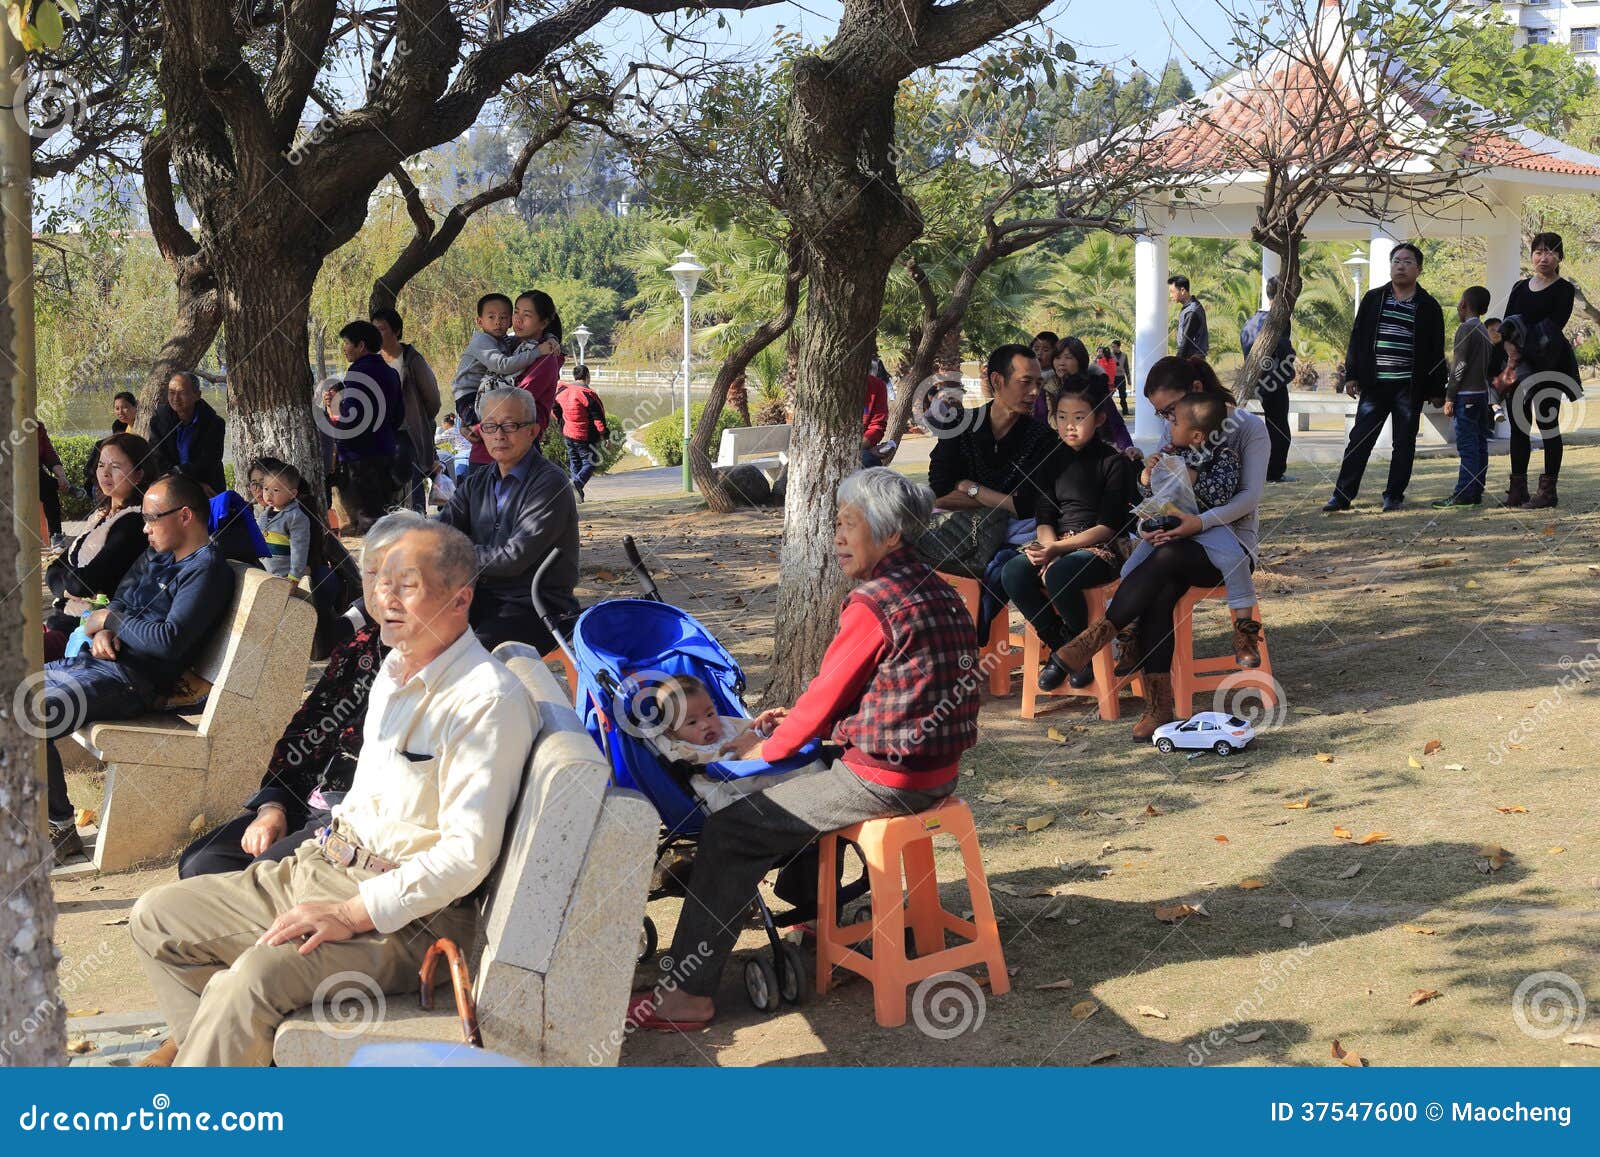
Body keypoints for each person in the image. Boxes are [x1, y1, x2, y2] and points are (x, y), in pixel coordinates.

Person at [130, 521, 536, 1067]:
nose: (383, 598)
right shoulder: (393, 667)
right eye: (378, 581)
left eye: (406, 585)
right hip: (323, 863)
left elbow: (466, 855)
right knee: (157, 916)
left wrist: (349, 913)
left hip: (409, 915)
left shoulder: (485, 699)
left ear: (460, 598)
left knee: (250, 979)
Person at [627, 468, 978, 1031]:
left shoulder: (873, 602)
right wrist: (823, 730)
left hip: (889, 779)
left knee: (733, 830)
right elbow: (906, 685)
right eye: (836, 524)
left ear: (890, 536)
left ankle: (687, 995)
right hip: (940, 771)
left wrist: (759, 754)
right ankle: (817, 914)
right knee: (807, 779)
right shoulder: (939, 588)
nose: (837, 537)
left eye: (849, 525)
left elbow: (821, 699)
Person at [176, 511, 425, 881]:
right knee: (201, 862)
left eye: (402, 579)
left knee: (259, 878)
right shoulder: (361, 646)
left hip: (360, 826)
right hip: (306, 800)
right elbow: (307, 726)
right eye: (373, 575)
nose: (384, 591)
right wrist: (272, 803)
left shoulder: (437, 668)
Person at [1049, 357, 1268, 741]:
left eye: (1170, 411)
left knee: (1165, 560)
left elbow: (1248, 498)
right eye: (1162, 413)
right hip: (1173, 542)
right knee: (1160, 583)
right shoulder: (1177, 437)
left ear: (1195, 392)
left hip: (1227, 544)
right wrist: (1151, 524)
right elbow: (1159, 492)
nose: (1167, 420)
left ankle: (1099, 638)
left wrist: (1196, 523)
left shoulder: (1248, 430)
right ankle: (1159, 705)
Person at [40, 474, 237, 862]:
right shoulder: (156, 556)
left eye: (152, 518)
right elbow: (119, 604)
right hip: (98, 665)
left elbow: (168, 640)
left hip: (133, 682)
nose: (144, 528)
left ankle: (58, 829)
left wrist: (110, 622)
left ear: (184, 516)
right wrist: (102, 630)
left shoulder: (207, 570)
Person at [1001, 374, 1137, 692]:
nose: (1069, 426)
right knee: (1013, 572)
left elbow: (1108, 526)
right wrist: (1048, 548)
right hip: (1057, 543)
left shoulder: (1114, 462)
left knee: (1061, 573)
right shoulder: (1050, 461)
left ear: (1100, 418)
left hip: (1101, 547)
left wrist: (1056, 553)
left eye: (1079, 418)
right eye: (1062, 418)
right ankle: (1064, 645)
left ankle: (1077, 654)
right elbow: (1044, 516)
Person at [1121, 392, 1261, 666]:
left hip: (1208, 526)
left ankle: (1245, 634)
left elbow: (1221, 495)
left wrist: (1188, 473)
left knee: (1234, 561)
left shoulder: (1224, 457)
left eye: (1175, 424)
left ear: (1197, 436)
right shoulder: (1169, 454)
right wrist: (1147, 476)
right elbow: (1152, 495)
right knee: (1130, 569)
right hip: (1170, 525)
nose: (1168, 428)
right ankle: (1130, 634)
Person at [437, 387, 579, 652]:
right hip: (478, 598)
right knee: (415, 632)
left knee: (466, 656)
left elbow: (514, 557)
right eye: (490, 426)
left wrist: (452, 554)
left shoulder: (550, 483)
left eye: (510, 425)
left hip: (537, 607)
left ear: (533, 431)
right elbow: (439, 532)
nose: (499, 435)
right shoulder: (477, 481)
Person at [1323, 242, 1446, 512]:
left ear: (1419, 269)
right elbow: (1357, 338)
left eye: (1407, 262)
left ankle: (1393, 496)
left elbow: (1436, 349)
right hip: (1375, 384)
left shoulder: (1428, 306)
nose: (1400, 266)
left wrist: (1438, 389)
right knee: (1359, 441)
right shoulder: (1373, 298)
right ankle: (1341, 496)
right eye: (1396, 261)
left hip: (1408, 388)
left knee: (1403, 444)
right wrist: (1352, 374)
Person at [45, 433, 157, 645]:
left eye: (115, 466)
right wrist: (67, 583)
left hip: (85, 630)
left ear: (138, 474)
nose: (105, 473)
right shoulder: (101, 515)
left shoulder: (133, 523)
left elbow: (84, 583)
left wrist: (66, 583)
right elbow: (53, 570)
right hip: (61, 620)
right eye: (101, 465)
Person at [1500, 232, 1579, 509]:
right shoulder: (1519, 287)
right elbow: (1507, 323)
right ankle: (1517, 489)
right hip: (1517, 364)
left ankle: (1547, 492)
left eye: (1550, 252)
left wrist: (1522, 345)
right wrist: (1510, 348)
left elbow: (1553, 326)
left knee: (1548, 425)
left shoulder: (1564, 289)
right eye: (1538, 251)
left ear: (1560, 257)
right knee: (1519, 426)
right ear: (1531, 255)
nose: (1543, 257)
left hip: (1549, 364)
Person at [450, 292, 562, 474]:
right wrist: (468, 425)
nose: (518, 320)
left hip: (513, 449)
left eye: (526, 315)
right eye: (516, 313)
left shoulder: (543, 357)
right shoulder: (513, 346)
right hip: (489, 448)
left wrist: (476, 428)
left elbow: (513, 402)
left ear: (543, 322)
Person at [648, 675, 795, 812]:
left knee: (802, 764)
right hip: (732, 795)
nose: (706, 724)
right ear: (671, 731)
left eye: (710, 714)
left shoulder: (726, 725)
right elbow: (702, 786)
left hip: (763, 774)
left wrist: (763, 729)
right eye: (692, 722)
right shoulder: (681, 749)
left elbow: (752, 732)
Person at [324, 319, 404, 533]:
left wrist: (335, 413)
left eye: (347, 343)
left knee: (365, 516)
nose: (344, 349)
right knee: (380, 511)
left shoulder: (358, 373)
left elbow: (351, 418)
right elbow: (398, 415)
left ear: (361, 345)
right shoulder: (391, 372)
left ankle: (370, 561)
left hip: (359, 456)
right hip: (386, 449)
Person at [372, 307, 442, 514]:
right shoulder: (372, 362)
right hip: (381, 438)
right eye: (373, 330)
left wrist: (417, 419)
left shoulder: (411, 360)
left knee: (412, 491)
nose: (377, 334)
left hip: (407, 437)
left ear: (396, 331)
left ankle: (417, 531)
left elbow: (433, 400)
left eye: (382, 329)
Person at [1433, 285, 1496, 509]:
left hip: (1466, 396)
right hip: (1481, 395)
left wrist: (1450, 396)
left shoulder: (1465, 330)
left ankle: (1463, 493)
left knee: (1468, 446)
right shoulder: (1483, 331)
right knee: (1479, 445)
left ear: (1464, 305)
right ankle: (1476, 490)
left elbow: (1459, 366)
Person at [1240, 276, 1297, 483]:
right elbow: (1284, 350)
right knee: (1280, 428)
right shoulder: (1279, 320)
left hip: (1254, 379)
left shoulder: (1251, 321)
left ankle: (1266, 470)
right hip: (1274, 381)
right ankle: (1275, 472)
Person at [149, 372, 227, 495]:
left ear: (197, 395)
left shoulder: (214, 423)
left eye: (182, 393)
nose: (175, 398)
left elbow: (208, 462)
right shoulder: (159, 420)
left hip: (206, 485)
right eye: (171, 393)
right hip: (170, 484)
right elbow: (157, 457)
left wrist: (193, 484)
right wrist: (181, 479)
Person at [555, 364, 607, 501]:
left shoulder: (562, 390)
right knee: (591, 461)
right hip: (583, 435)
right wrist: (605, 435)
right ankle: (576, 485)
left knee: (575, 462)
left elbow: (554, 407)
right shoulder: (587, 394)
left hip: (568, 433)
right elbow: (598, 418)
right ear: (587, 376)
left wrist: (561, 421)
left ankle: (575, 495)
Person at [257, 462, 314, 581]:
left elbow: (299, 549)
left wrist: (294, 577)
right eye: (266, 488)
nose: (269, 494)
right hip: (263, 573)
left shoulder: (296, 517)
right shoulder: (263, 514)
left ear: (292, 494)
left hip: (284, 576)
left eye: (276, 490)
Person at [84, 391, 140, 497]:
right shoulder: (119, 426)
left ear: (135, 406)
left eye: (125, 407)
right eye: (117, 408)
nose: (120, 412)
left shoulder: (141, 427)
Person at [37, 422, 71, 552]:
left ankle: (56, 535)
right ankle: (58, 484)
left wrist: (62, 477)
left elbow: (49, 455)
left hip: (36, 475)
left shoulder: (37, 427)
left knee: (46, 486)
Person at [1169, 275, 1209, 359]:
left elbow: (1186, 341)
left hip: (1193, 360)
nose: (1170, 295)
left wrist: (1177, 361)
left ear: (1182, 290)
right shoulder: (1190, 307)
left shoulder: (1192, 311)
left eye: (1172, 292)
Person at [861, 371, 890, 467]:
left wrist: (861, 446)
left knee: (868, 460)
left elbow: (876, 426)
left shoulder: (877, 385)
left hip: (862, 447)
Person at [1111, 339, 1131, 415]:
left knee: (1123, 395)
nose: (1113, 348)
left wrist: (1129, 379)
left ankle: (1125, 411)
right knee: (1109, 395)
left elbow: (1126, 368)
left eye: (1114, 347)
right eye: (1112, 347)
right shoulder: (1110, 355)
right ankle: (1109, 411)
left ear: (1118, 347)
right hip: (1112, 378)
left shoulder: (1124, 355)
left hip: (1121, 377)